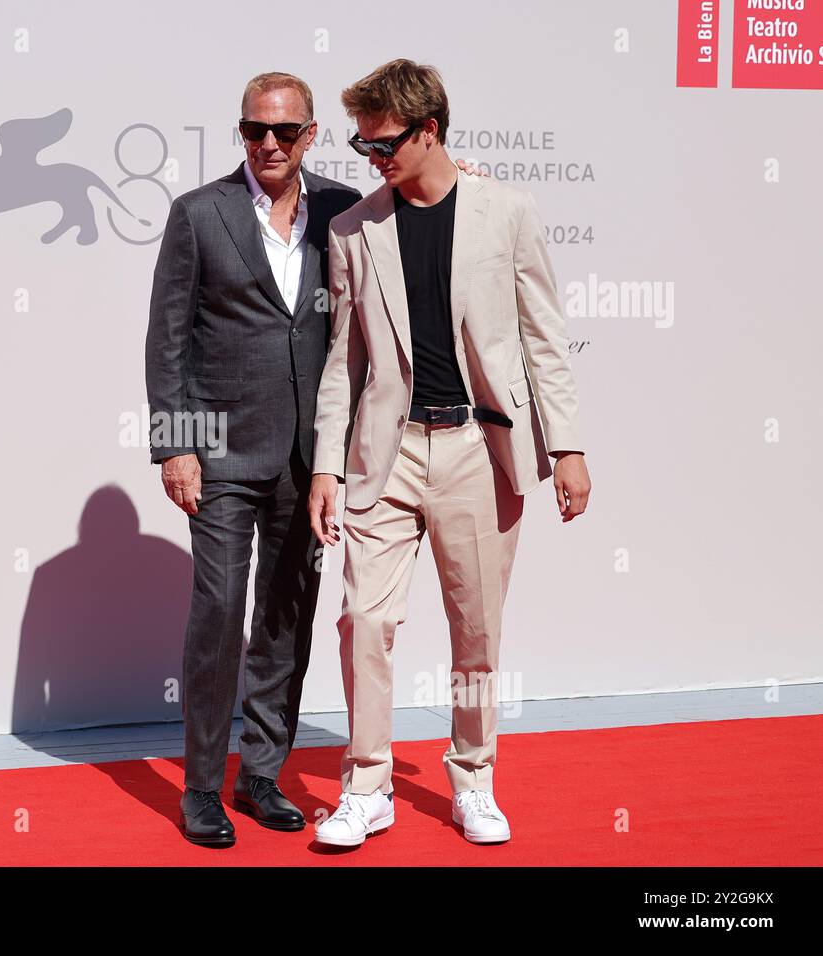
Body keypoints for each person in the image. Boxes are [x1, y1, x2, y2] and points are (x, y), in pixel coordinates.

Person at [308, 59, 591, 848]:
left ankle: (473, 777)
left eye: (386, 142)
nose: (374, 158)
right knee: (364, 619)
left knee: (476, 630)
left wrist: (564, 446)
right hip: (385, 455)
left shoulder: (508, 211)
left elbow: (544, 338)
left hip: (477, 446)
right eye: (362, 146)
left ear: (430, 129)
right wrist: (327, 465)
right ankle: (368, 786)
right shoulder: (352, 229)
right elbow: (344, 362)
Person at [145, 72, 361, 847]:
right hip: (221, 454)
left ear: (310, 136)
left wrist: (467, 177)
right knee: (216, 615)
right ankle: (202, 785)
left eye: (283, 132)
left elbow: (422, 212)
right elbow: (168, 341)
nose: (267, 144)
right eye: (252, 130)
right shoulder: (198, 214)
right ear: (241, 133)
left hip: (309, 457)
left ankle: (261, 773)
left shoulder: (343, 211)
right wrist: (177, 447)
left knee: (285, 617)